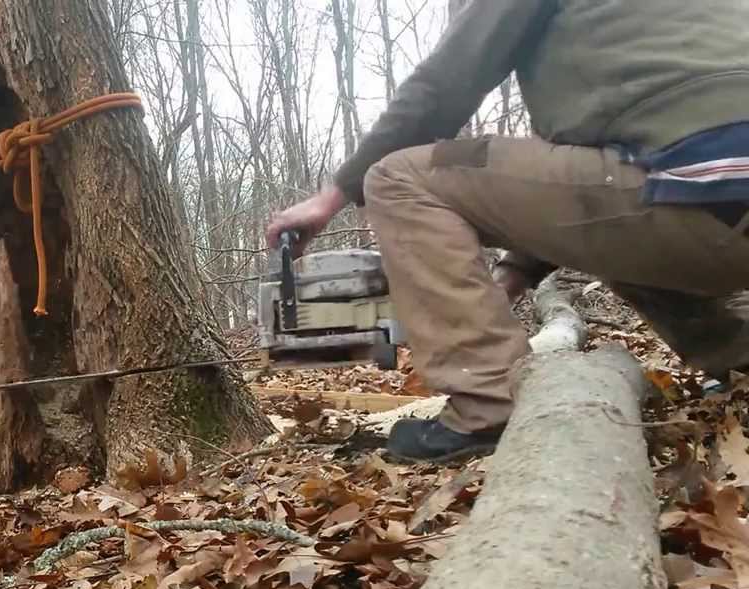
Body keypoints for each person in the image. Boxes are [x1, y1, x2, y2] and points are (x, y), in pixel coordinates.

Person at [265, 0, 749, 464]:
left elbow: (447, 82)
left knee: (396, 177)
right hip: (709, 198)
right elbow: (597, 187)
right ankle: (738, 358)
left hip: (700, 190)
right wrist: (517, 271)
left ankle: (486, 401)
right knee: (638, 216)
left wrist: (334, 195)